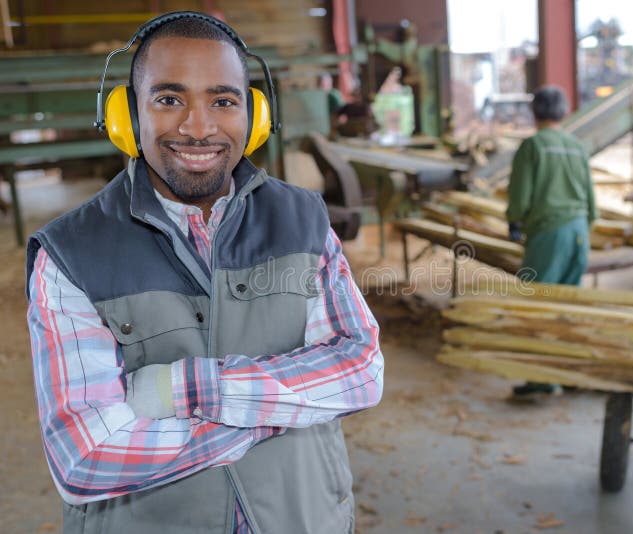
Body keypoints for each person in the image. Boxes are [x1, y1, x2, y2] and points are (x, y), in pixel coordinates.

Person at [25, 12, 383, 534]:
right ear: (127, 115)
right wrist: (288, 408)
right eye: (170, 99)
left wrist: (181, 388)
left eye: (223, 101)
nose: (198, 128)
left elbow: (362, 371)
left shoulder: (302, 219)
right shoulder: (70, 253)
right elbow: (87, 458)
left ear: (255, 116)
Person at [505, 85, 596, 399]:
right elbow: (591, 201)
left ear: (534, 112)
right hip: (579, 232)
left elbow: (520, 197)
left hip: (549, 234)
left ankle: (543, 382)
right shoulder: (577, 146)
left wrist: (514, 222)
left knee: (539, 306)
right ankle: (569, 374)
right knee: (567, 307)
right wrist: (583, 227)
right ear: (564, 112)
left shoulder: (533, 146)